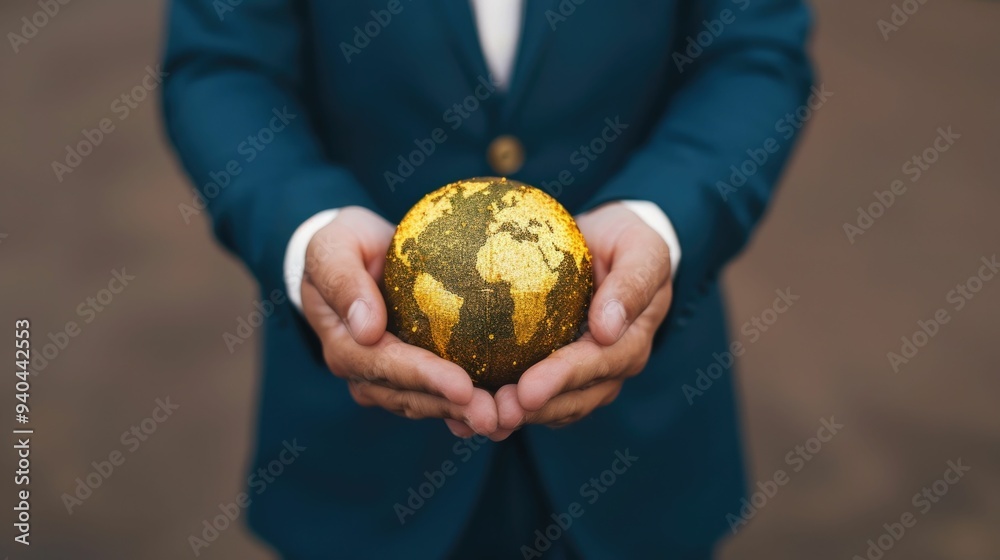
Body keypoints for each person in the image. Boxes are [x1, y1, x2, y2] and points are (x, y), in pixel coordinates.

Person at [162, 0, 813, 558]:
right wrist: (307, 228)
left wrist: (662, 218)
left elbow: (753, 50)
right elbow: (221, 66)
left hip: (639, 455)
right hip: (360, 463)